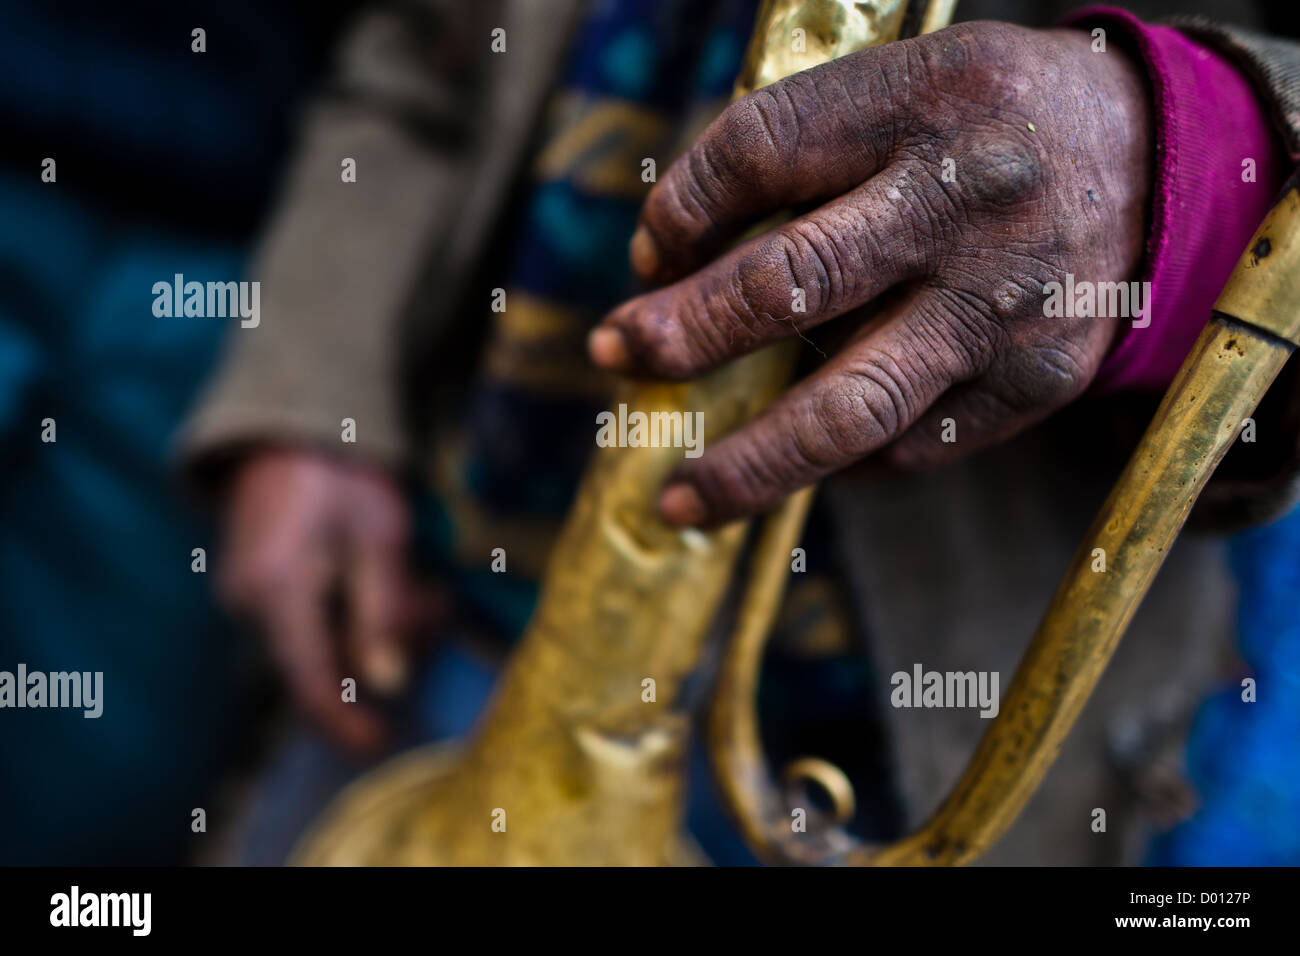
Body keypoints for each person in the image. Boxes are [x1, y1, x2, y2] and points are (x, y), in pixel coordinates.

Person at [181, 0, 1300, 864]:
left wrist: (1185, 163)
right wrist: (317, 380)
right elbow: (421, 58)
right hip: (446, 587)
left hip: (900, 713)